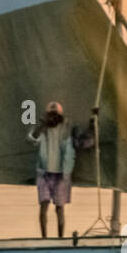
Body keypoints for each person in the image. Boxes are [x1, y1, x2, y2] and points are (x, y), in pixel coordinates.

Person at [27, 101, 96, 239]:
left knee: (60, 207)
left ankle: (60, 238)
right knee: (44, 205)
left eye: (56, 115)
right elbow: (31, 139)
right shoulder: (42, 128)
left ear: (61, 115)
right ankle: (44, 238)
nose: (53, 118)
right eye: (50, 114)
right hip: (44, 173)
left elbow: (84, 142)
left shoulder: (69, 127)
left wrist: (92, 125)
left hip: (62, 174)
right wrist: (42, 125)